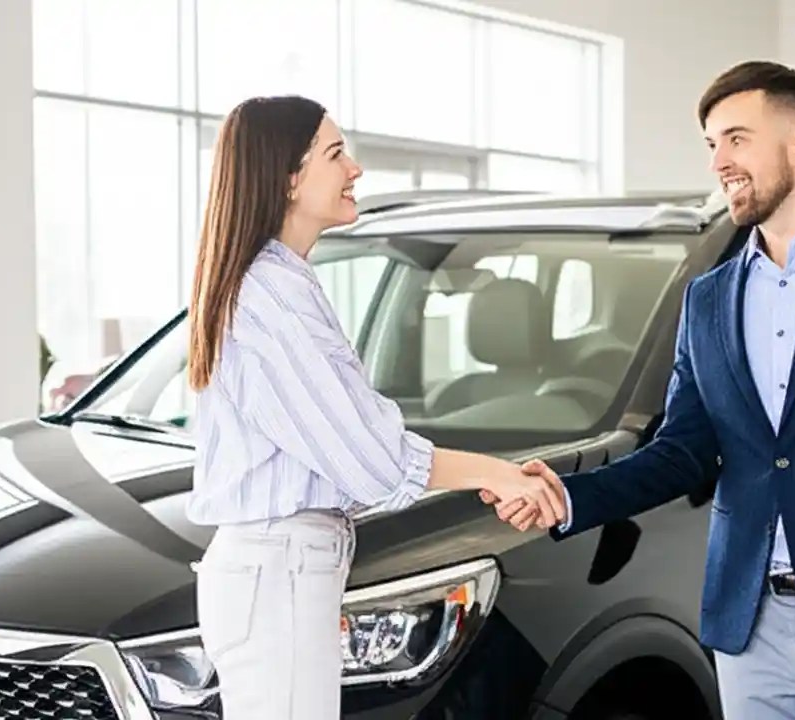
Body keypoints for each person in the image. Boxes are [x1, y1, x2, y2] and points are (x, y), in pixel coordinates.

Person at [486, 60, 795, 719]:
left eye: (737, 139)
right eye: (711, 144)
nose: (719, 162)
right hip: (748, 627)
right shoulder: (708, 298)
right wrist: (568, 497)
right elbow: (682, 452)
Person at [184, 95, 566, 720]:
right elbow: (369, 458)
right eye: (335, 154)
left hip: (282, 571)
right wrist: (497, 474)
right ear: (287, 177)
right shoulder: (271, 296)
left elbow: (345, 457)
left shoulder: (279, 282)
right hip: (278, 573)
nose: (355, 168)